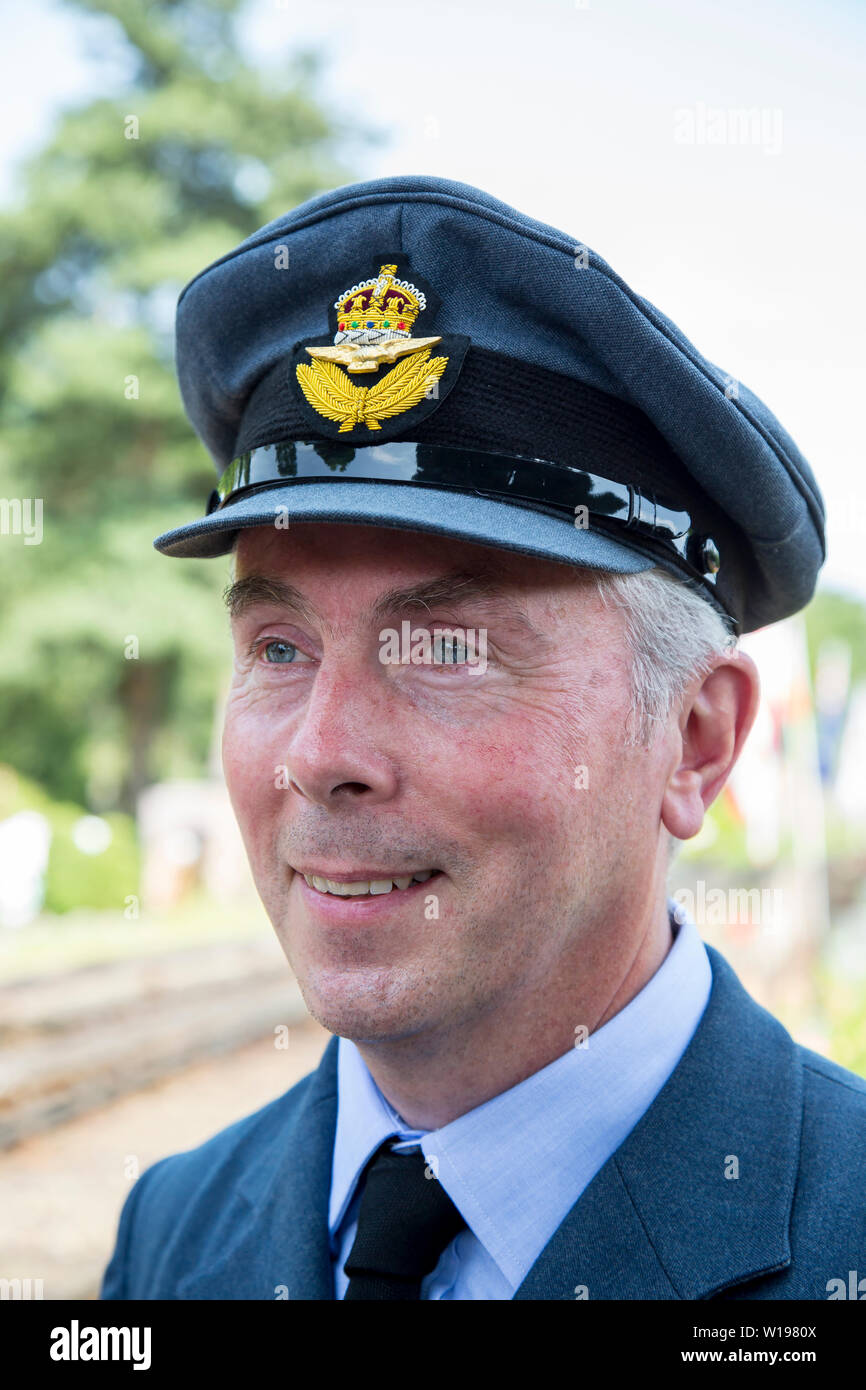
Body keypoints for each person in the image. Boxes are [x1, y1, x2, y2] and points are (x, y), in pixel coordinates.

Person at [100, 175, 865, 1301]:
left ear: (694, 742)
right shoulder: (173, 1225)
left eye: (443, 648)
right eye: (277, 647)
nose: (319, 753)